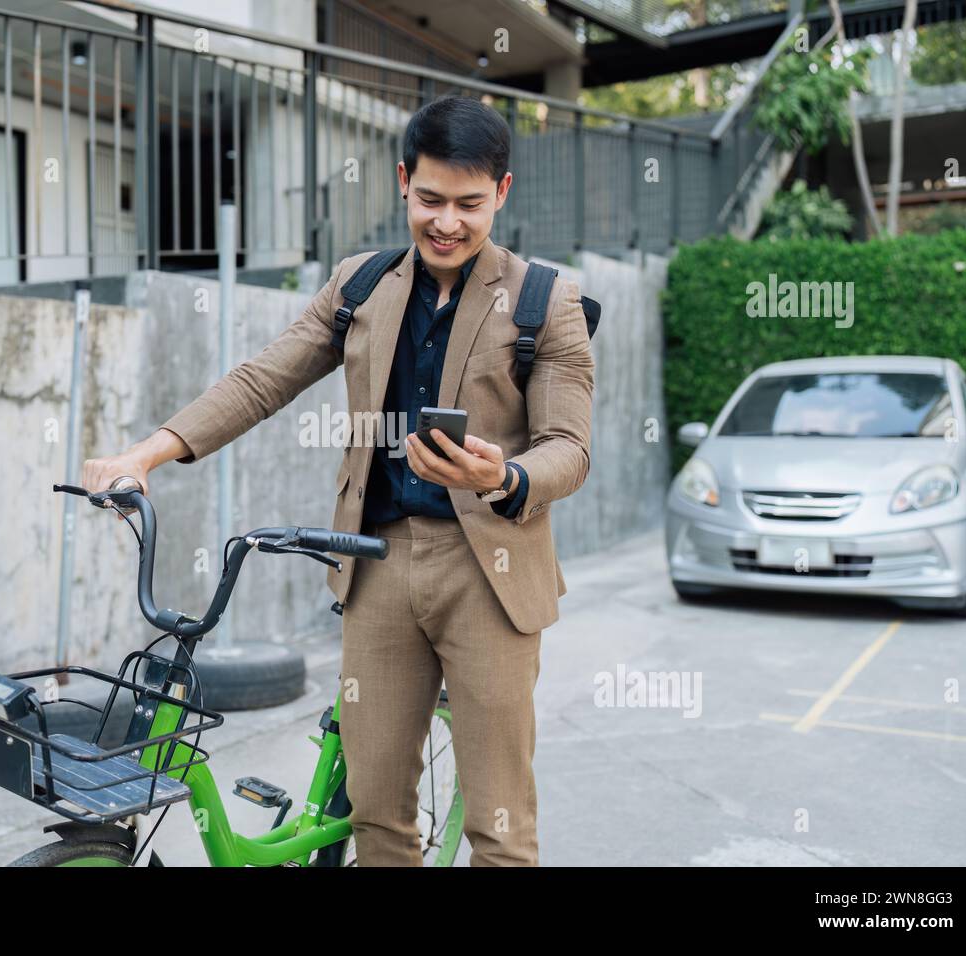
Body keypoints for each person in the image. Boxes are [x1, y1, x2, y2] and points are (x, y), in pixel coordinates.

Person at [81, 95, 594, 866]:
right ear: (401, 183)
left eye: (468, 204)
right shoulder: (360, 286)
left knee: (500, 828)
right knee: (378, 818)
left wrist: (508, 474)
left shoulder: (542, 301)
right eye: (429, 201)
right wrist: (147, 454)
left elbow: (569, 448)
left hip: (488, 576)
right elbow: (262, 380)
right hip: (377, 568)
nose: (446, 223)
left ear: (504, 193)